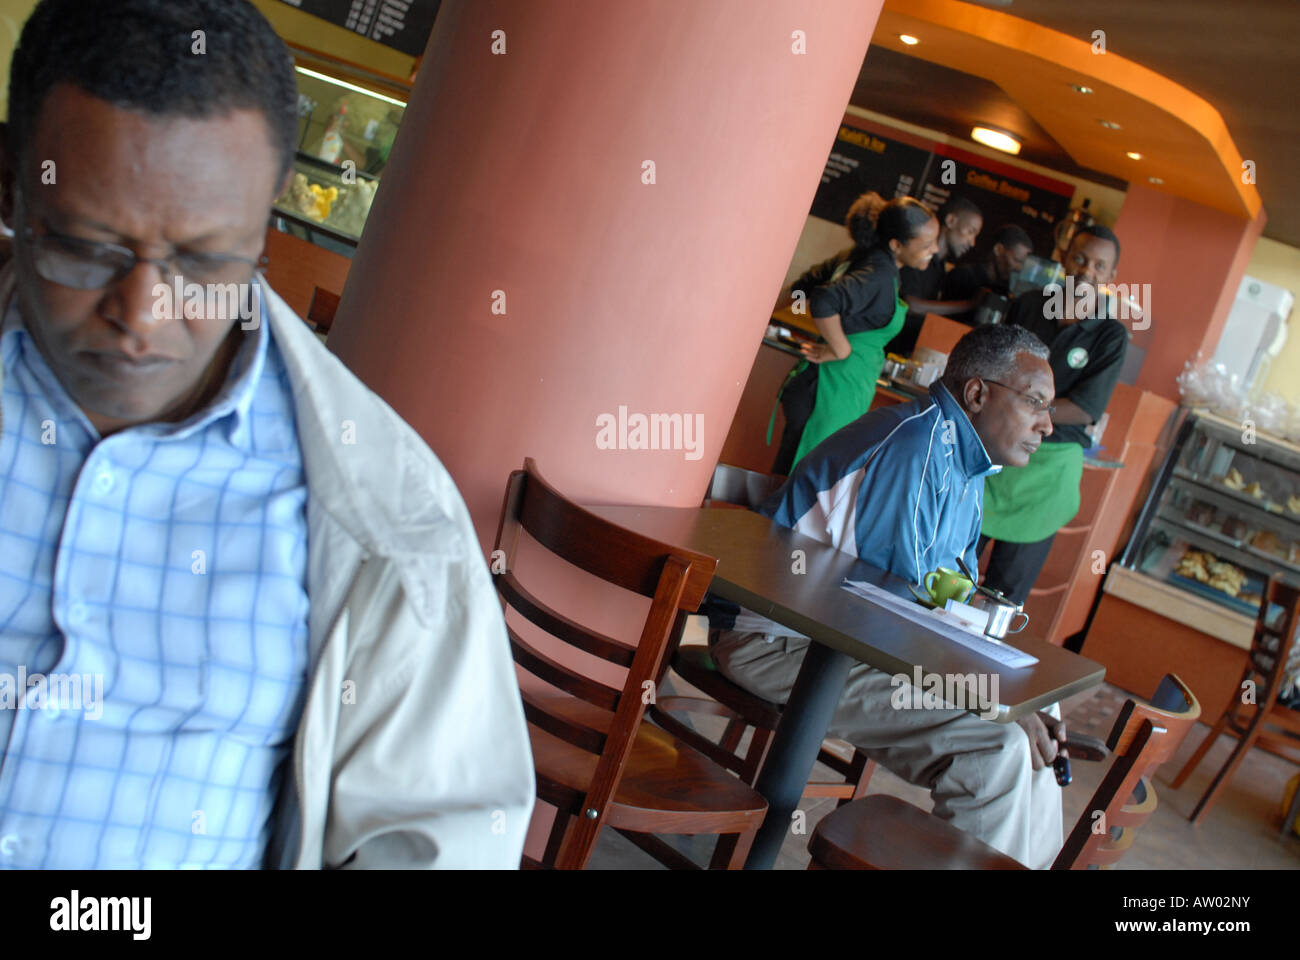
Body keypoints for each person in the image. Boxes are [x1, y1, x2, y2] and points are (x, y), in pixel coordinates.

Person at [0, 0, 534, 869]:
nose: (144, 316)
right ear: (12, 188)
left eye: (205, 261)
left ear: (264, 228)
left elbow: (437, 844)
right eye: (87, 249)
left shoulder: (389, 520)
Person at [709, 323, 1067, 868]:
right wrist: (992, 698)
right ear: (977, 394)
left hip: (841, 643)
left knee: (1035, 729)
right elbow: (903, 610)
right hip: (775, 643)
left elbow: (947, 595)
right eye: (1035, 402)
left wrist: (1016, 693)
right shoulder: (916, 444)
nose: (1047, 424)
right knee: (995, 748)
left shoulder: (967, 465)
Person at [979, 224, 1128, 604]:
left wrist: (1015, 405)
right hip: (992, 457)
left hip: (1047, 476)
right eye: (1079, 258)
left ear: (1111, 276)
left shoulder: (1110, 335)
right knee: (947, 566)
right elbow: (994, 365)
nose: (1086, 271)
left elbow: (1084, 409)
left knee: (1003, 598)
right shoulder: (1029, 304)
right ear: (1064, 258)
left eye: (1099, 265)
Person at [770, 196, 938, 476]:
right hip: (829, 391)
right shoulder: (879, 274)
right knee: (801, 483)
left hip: (834, 389)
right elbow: (824, 299)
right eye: (925, 245)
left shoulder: (864, 258)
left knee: (799, 481)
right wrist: (840, 348)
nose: (934, 249)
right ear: (896, 245)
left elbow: (804, 287)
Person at [885, 194, 983, 356]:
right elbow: (910, 304)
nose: (972, 243)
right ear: (951, 221)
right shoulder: (918, 256)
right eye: (970, 232)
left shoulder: (940, 267)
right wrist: (969, 304)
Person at [941, 223, 1034, 323]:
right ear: (998, 249)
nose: (1019, 268)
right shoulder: (962, 275)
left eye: (1023, 264)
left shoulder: (1006, 291)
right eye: (1016, 260)